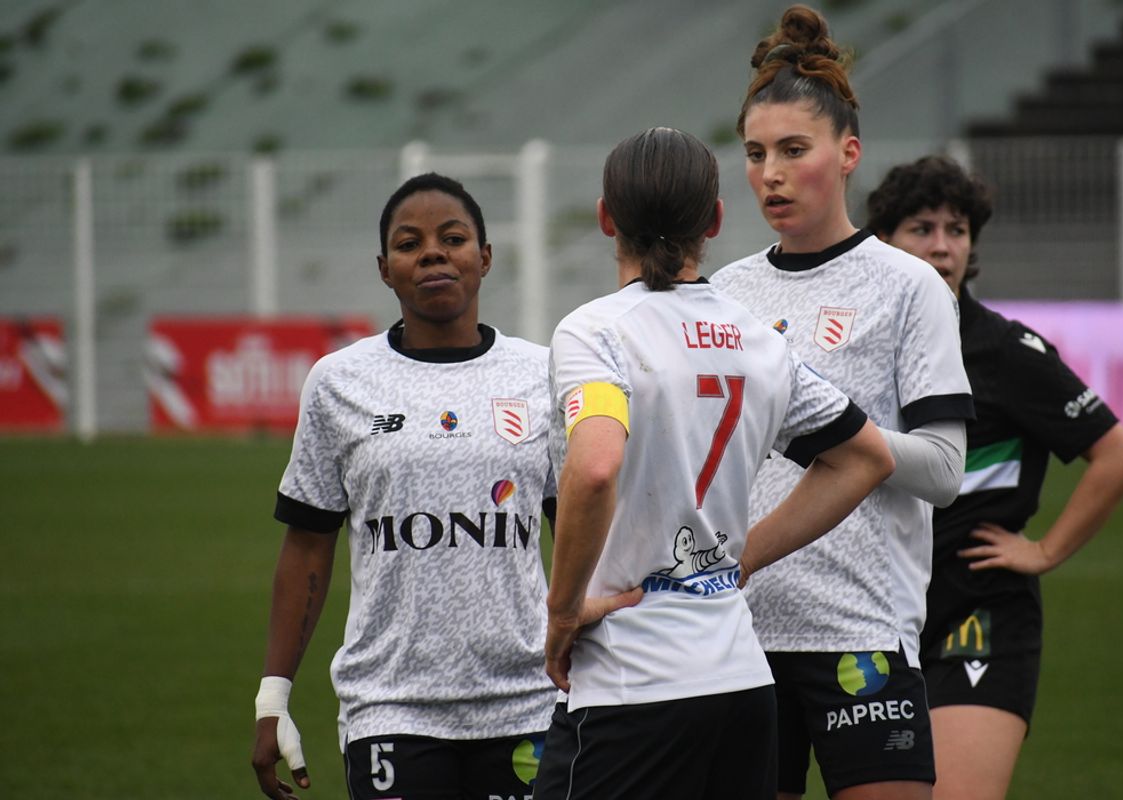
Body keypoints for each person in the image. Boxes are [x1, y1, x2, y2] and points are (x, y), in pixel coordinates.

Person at [533, 127, 896, 800]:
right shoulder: (759, 340)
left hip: (630, 681)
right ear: (716, 220)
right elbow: (864, 459)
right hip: (740, 682)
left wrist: (560, 615)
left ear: (606, 216)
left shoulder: (596, 331)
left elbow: (593, 468)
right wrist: (740, 559)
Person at [708, 6, 977, 799]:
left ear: (848, 152)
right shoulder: (726, 293)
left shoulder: (909, 286)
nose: (772, 173)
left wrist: (838, 440)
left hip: (862, 631)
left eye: (795, 150)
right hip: (739, 633)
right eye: (757, 154)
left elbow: (945, 469)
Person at [251, 173, 560, 800]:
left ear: (485, 256)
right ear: (385, 269)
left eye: (453, 238)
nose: (432, 253)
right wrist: (272, 697)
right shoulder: (339, 383)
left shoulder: (544, 375)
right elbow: (308, 545)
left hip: (528, 701)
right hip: (390, 706)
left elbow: (585, 531)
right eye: (409, 243)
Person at [866, 154, 1123, 800]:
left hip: (979, 615)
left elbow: (1119, 456)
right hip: (878, 612)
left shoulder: (1004, 351)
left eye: (956, 230)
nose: (942, 246)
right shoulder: (861, 346)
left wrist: (1044, 550)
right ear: (881, 243)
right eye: (921, 228)